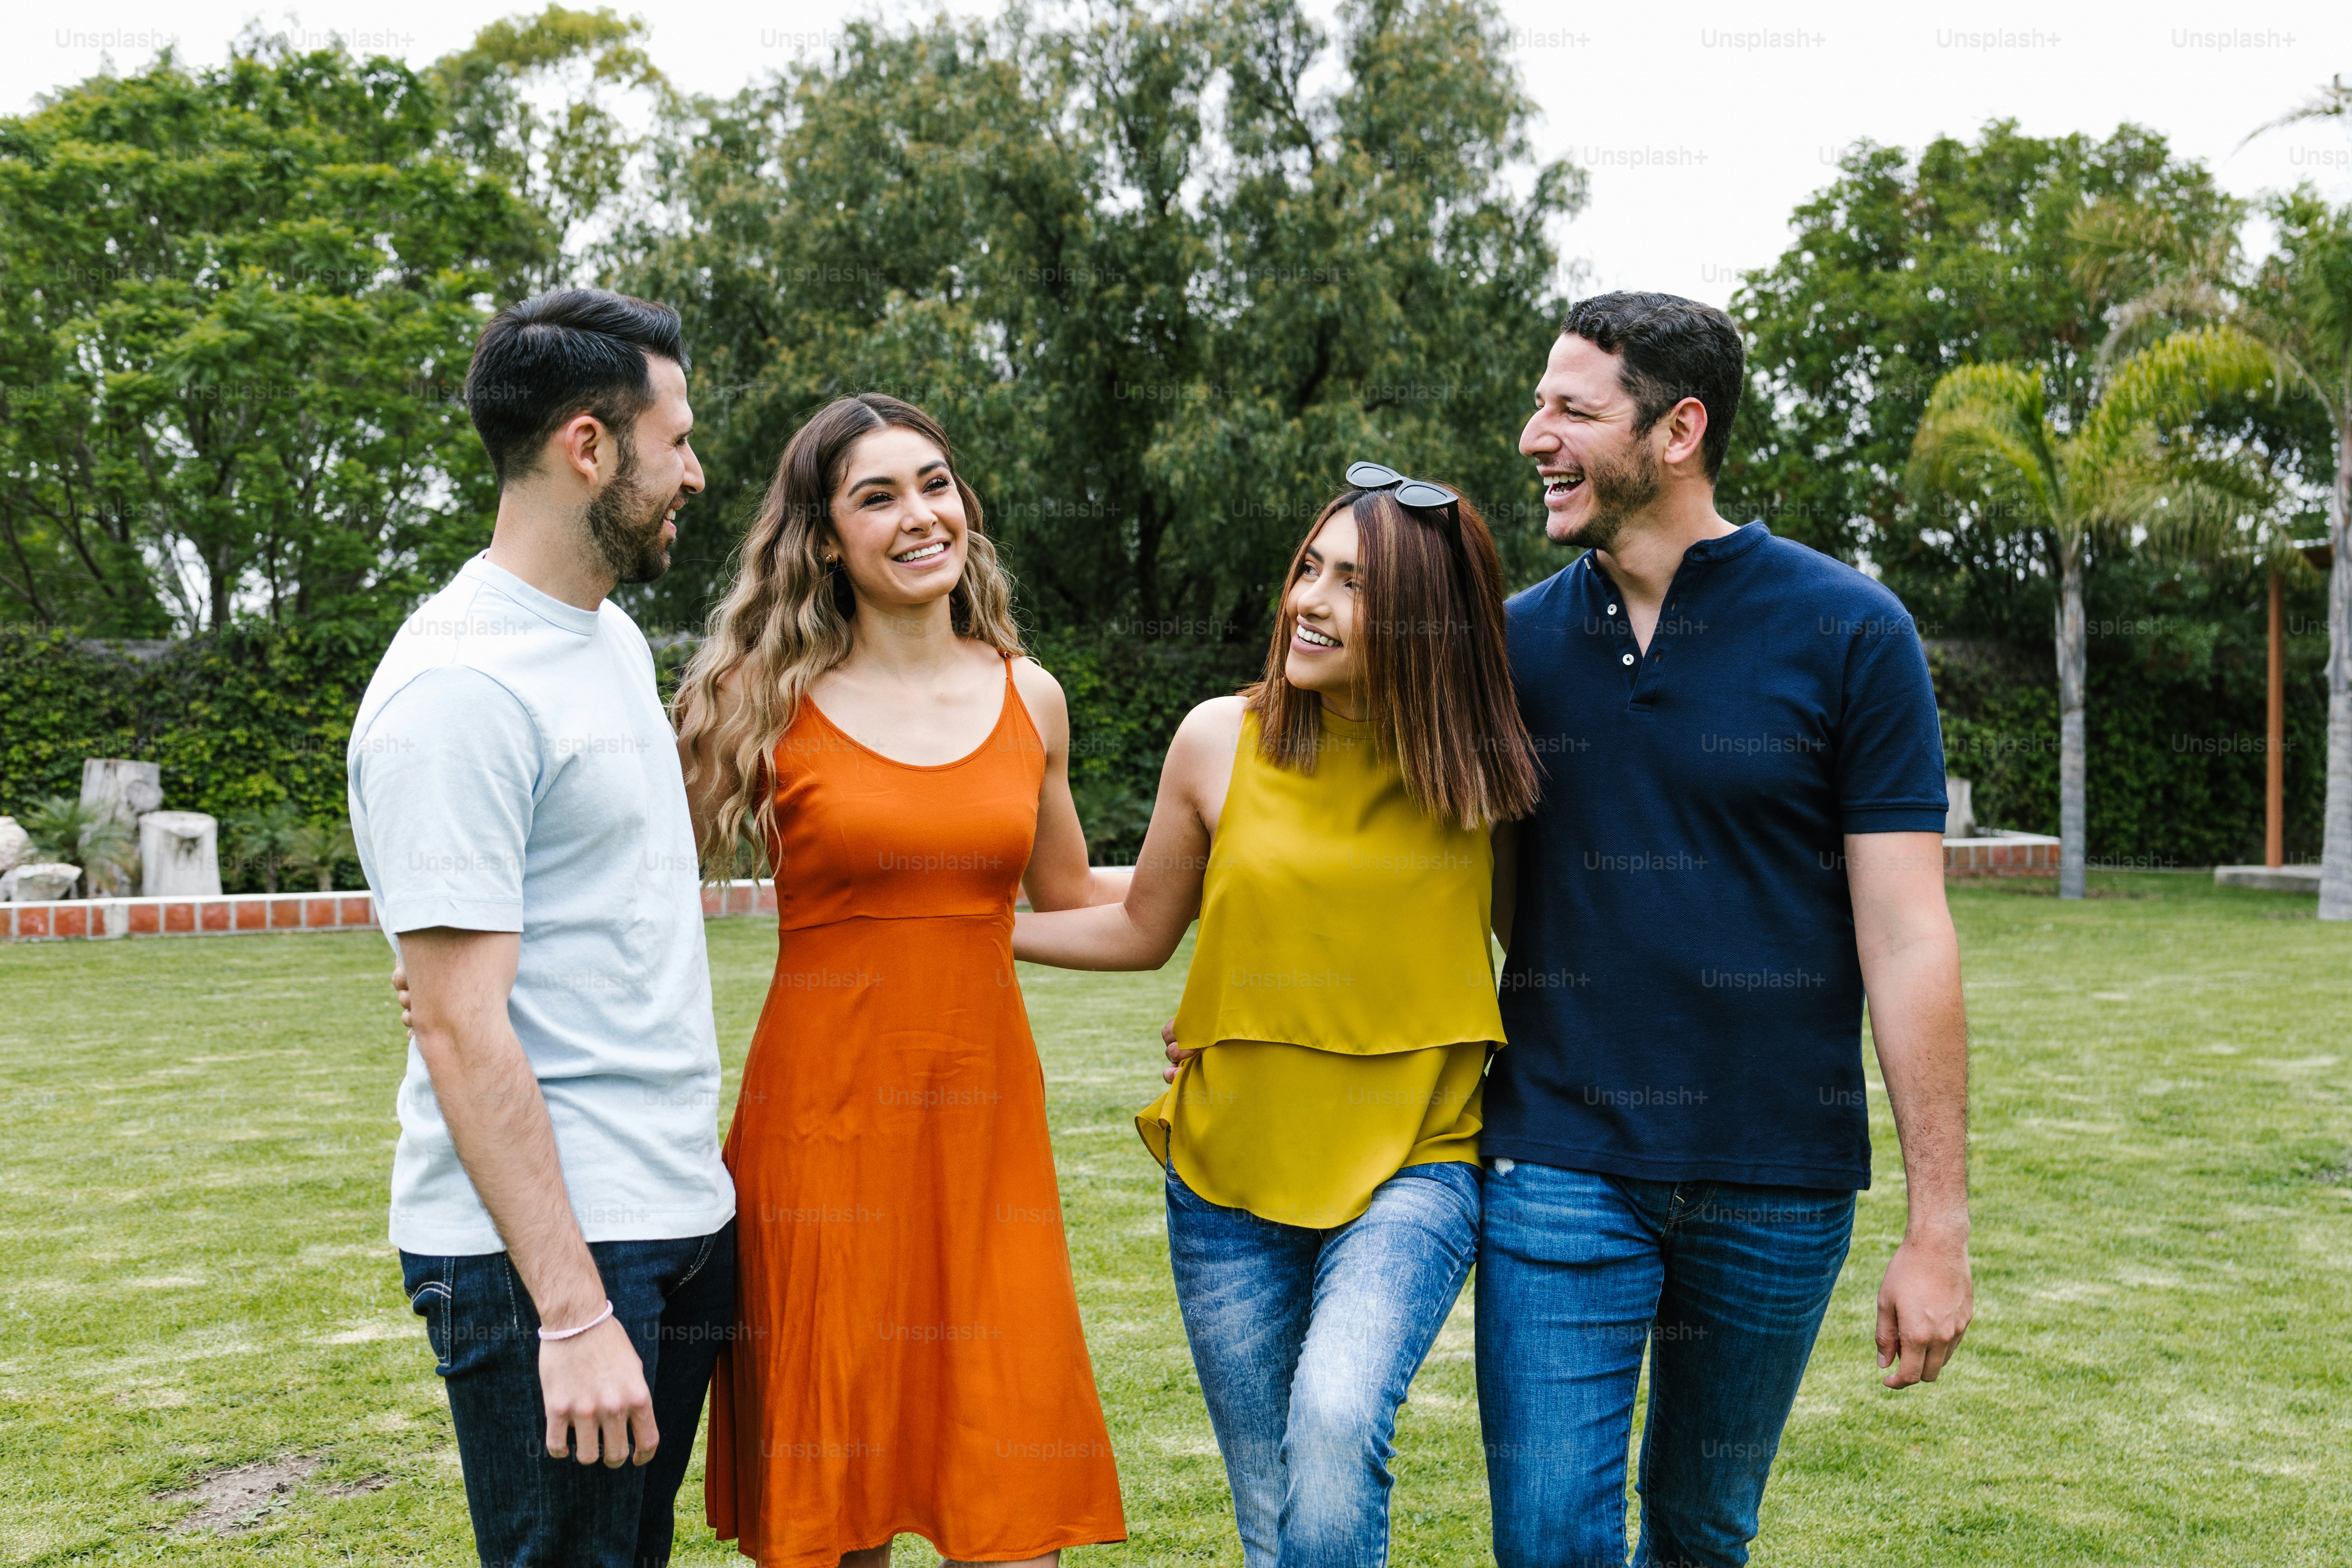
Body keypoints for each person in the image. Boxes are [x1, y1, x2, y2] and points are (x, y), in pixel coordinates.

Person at [1477, 291, 1974, 1568]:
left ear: (1677, 429)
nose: (1534, 435)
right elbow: (1398, 859)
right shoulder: (1507, 648)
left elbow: (1907, 936)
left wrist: (1937, 1227)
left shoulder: (1850, 631)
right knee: (1546, 1539)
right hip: (1558, 1159)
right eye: (1539, 403)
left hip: (1775, 1174)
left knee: (1700, 1533)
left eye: (1571, 408)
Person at [1011, 466, 1540, 1568]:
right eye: (1310, 568)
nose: (1308, 600)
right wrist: (960, 931)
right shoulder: (1218, 738)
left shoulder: (1479, 773)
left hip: (1416, 1164)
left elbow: (1548, 960)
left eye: (1353, 584)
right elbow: (1141, 927)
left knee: (1337, 1420)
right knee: (1270, 1518)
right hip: (1225, 1180)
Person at [671, 394, 1127, 1567]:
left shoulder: (1030, 694)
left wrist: (1246, 884)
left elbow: (1074, 904)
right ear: (825, 541)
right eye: (876, 497)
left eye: (934, 484)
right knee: (837, 1516)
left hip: (985, 1150)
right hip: (821, 1142)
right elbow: (626, 879)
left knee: (1012, 1503)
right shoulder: (757, 699)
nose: (920, 515)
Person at [350, 287, 737, 1568]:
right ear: (588, 446)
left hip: (663, 1219)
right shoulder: (458, 686)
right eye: (676, 440)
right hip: (549, 1263)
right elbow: (462, 1029)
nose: (694, 472)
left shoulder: (605, 636)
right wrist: (569, 1311)